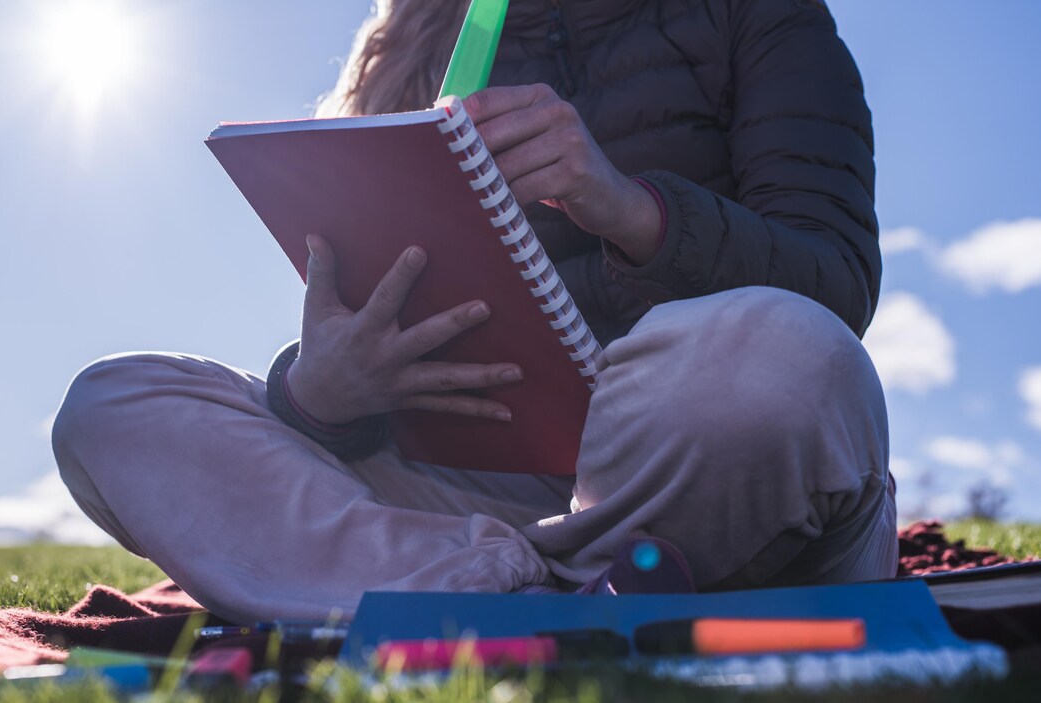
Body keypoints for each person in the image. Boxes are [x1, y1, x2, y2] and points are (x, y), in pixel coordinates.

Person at [52, 0, 897, 624]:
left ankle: (418, 592)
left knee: (782, 355)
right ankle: (530, 592)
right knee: (117, 408)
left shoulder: (758, 15)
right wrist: (321, 395)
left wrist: (626, 206)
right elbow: (365, 311)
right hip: (476, 486)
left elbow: (833, 281)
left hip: (688, 459)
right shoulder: (412, 46)